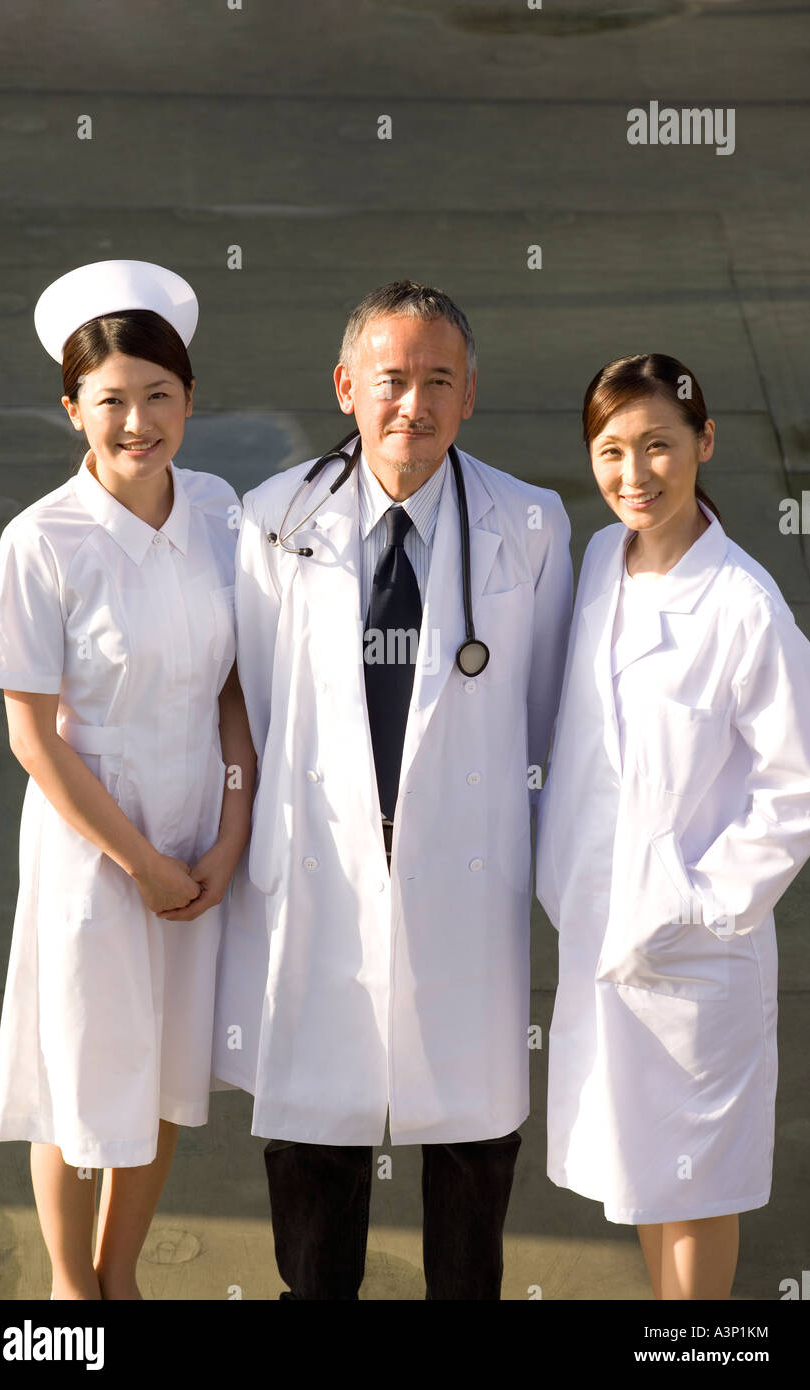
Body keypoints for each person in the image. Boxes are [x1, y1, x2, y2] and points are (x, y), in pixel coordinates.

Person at [212, 279, 573, 1300]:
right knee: (314, 1150)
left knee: (467, 1155)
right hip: (321, 869)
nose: (410, 403)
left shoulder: (531, 525)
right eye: (389, 380)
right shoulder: (272, 519)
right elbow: (266, 705)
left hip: (463, 874)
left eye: (436, 381)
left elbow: (545, 721)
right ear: (344, 388)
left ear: (469, 397)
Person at [0, 260, 255, 1301]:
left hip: (197, 830)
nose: (137, 422)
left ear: (187, 400)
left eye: (159, 396)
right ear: (72, 410)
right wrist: (137, 861)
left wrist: (227, 836)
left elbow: (235, 691)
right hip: (92, 844)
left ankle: (122, 1275)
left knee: (166, 1073)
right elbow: (35, 739)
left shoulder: (223, 512)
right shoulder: (42, 540)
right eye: (111, 401)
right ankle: (70, 1290)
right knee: (78, 1072)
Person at [536, 352, 810, 1300]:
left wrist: (701, 901)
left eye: (658, 445)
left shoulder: (744, 606)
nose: (634, 473)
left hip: (696, 956)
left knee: (699, 1188)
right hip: (605, 936)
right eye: (611, 449)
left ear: (704, 442)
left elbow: (801, 784)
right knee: (646, 1177)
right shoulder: (598, 563)